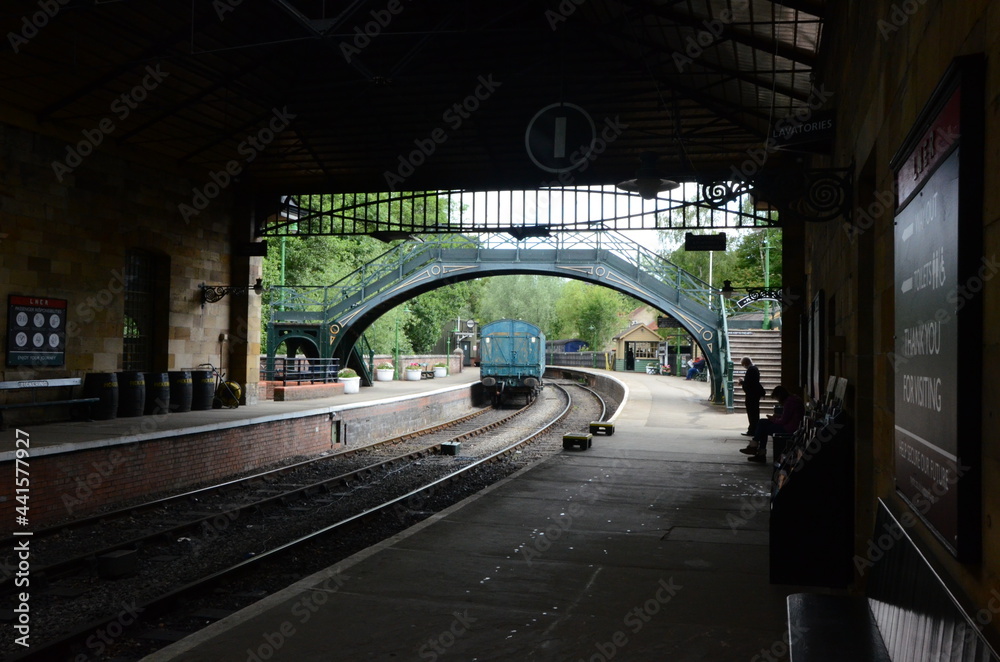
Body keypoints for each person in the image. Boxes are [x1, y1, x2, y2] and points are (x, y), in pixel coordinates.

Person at [741, 385, 804, 463]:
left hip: (788, 429)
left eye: (777, 398)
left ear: (779, 395)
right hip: (792, 426)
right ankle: (756, 447)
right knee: (762, 422)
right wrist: (778, 417)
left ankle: (758, 450)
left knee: (763, 429)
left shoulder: (789, 402)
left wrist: (773, 419)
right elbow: (788, 417)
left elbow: (783, 421)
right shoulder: (793, 399)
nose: (778, 401)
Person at [738, 356, 765, 436]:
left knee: (752, 413)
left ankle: (752, 430)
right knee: (755, 413)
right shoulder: (755, 368)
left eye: (743, 364)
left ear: (746, 363)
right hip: (755, 394)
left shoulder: (751, 370)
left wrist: (742, 382)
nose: (743, 366)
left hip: (752, 395)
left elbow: (749, 384)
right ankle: (753, 429)